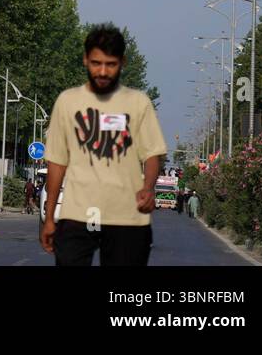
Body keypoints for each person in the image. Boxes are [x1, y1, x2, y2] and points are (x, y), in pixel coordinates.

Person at [40, 25, 167, 266]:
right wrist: (49, 218)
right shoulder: (68, 102)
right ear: (85, 59)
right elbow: (56, 161)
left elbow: (152, 154)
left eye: (111, 64)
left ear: (123, 62)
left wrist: (148, 187)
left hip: (127, 215)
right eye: (96, 63)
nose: (103, 71)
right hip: (78, 212)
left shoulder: (138, 103)